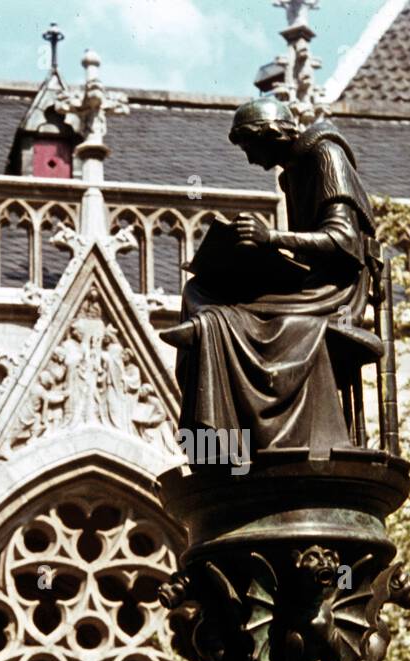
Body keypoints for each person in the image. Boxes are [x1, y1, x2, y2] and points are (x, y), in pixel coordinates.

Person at [160, 97, 382, 461]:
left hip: (332, 293)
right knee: (199, 289)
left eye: (250, 147)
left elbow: (344, 242)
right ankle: (213, 444)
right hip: (311, 281)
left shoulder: (326, 154)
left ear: (271, 134)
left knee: (225, 316)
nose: (249, 159)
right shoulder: (293, 171)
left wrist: (271, 238)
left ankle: (207, 338)